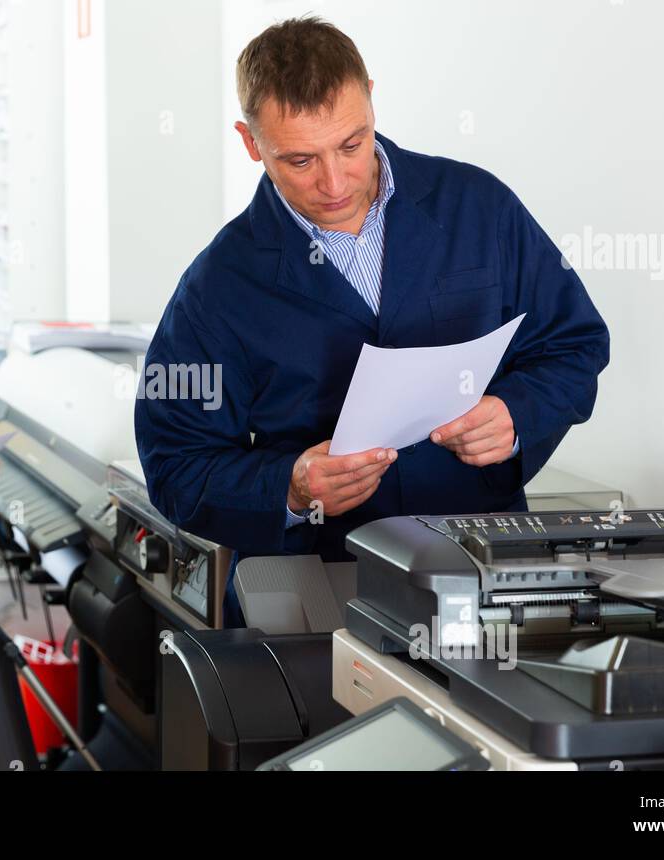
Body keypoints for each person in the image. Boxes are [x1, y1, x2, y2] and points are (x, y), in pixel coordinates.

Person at [134, 17, 610, 628]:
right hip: (310, 584)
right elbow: (176, 465)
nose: (333, 183)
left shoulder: (478, 206)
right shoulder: (216, 286)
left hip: (479, 567)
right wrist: (290, 486)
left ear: (372, 101)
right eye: (300, 160)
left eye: (352, 145)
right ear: (251, 143)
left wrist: (519, 415)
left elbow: (573, 344)